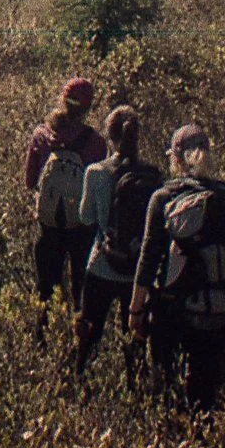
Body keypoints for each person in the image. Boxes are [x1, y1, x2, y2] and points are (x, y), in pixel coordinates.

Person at [129, 122, 225, 411]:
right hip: (219, 312)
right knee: (205, 393)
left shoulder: (163, 198)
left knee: (165, 384)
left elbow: (148, 261)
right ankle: (202, 443)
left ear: (175, 158)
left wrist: (136, 310)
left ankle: (170, 441)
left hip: (171, 310)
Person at [73, 105, 163, 378]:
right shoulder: (154, 176)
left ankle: (82, 386)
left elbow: (86, 218)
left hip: (101, 263)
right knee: (133, 339)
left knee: (90, 334)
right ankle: (136, 394)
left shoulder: (96, 172)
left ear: (109, 136)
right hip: (136, 272)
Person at [21, 77, 107, 321]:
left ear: (62, 100)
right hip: (81, 226)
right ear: (88, 107)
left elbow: (29, 182)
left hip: (48, 225)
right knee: (81, 289)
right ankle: (79, 339)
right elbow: (98, 191)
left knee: (46, 288)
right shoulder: (96, 143)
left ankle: (43, 340)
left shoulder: (41, 135)